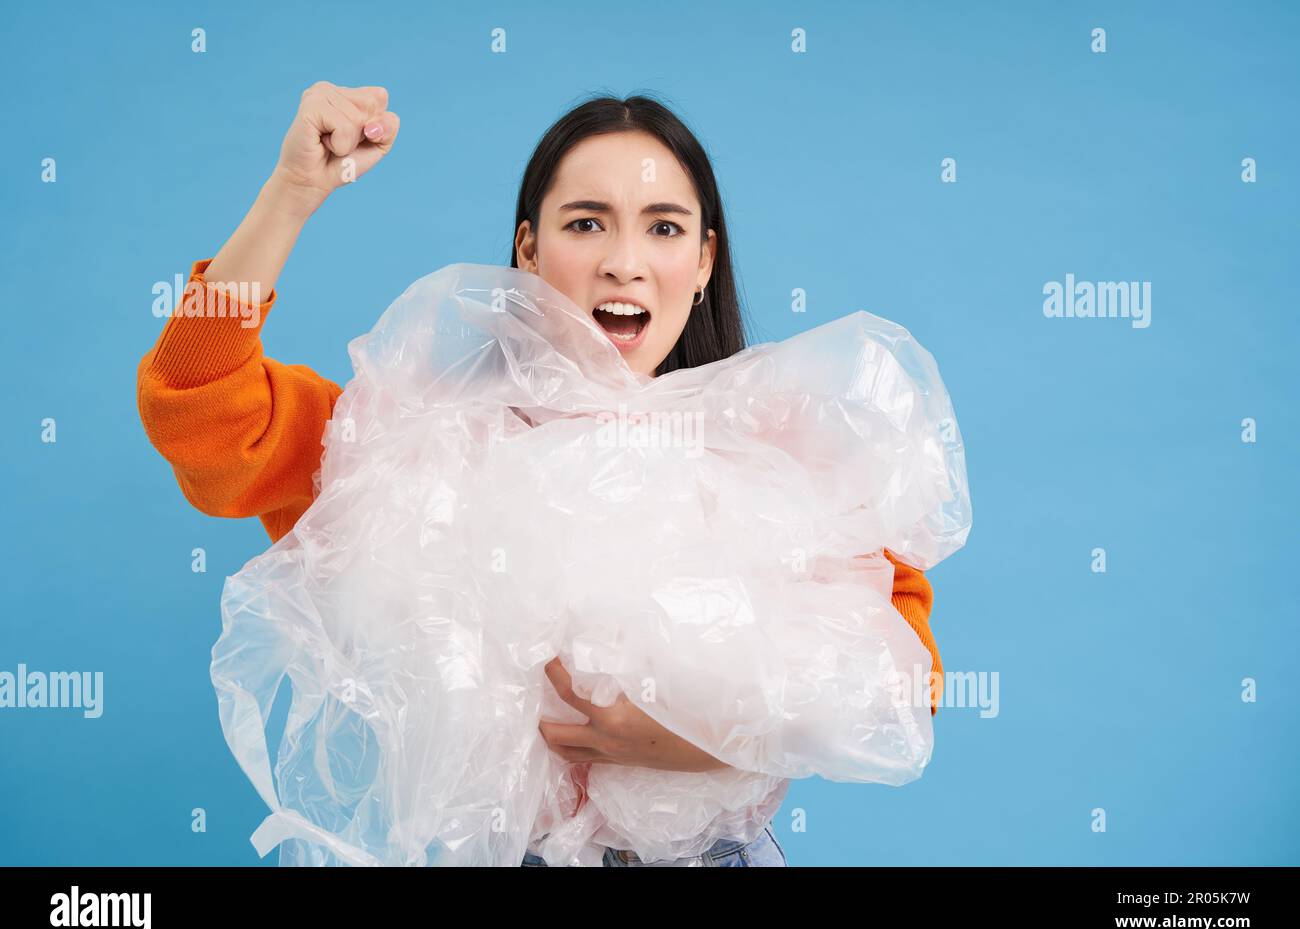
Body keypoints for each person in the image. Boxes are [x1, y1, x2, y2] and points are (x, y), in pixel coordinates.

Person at [136, 83, 944, 867]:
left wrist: (712, 741)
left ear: (704, 263)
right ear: (528, 249)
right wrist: (290, 194)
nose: (624, 262)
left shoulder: (778, 451)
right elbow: (200, 406)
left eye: (663, 229)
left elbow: (898, 679)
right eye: (587, 223)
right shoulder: (420, 447)